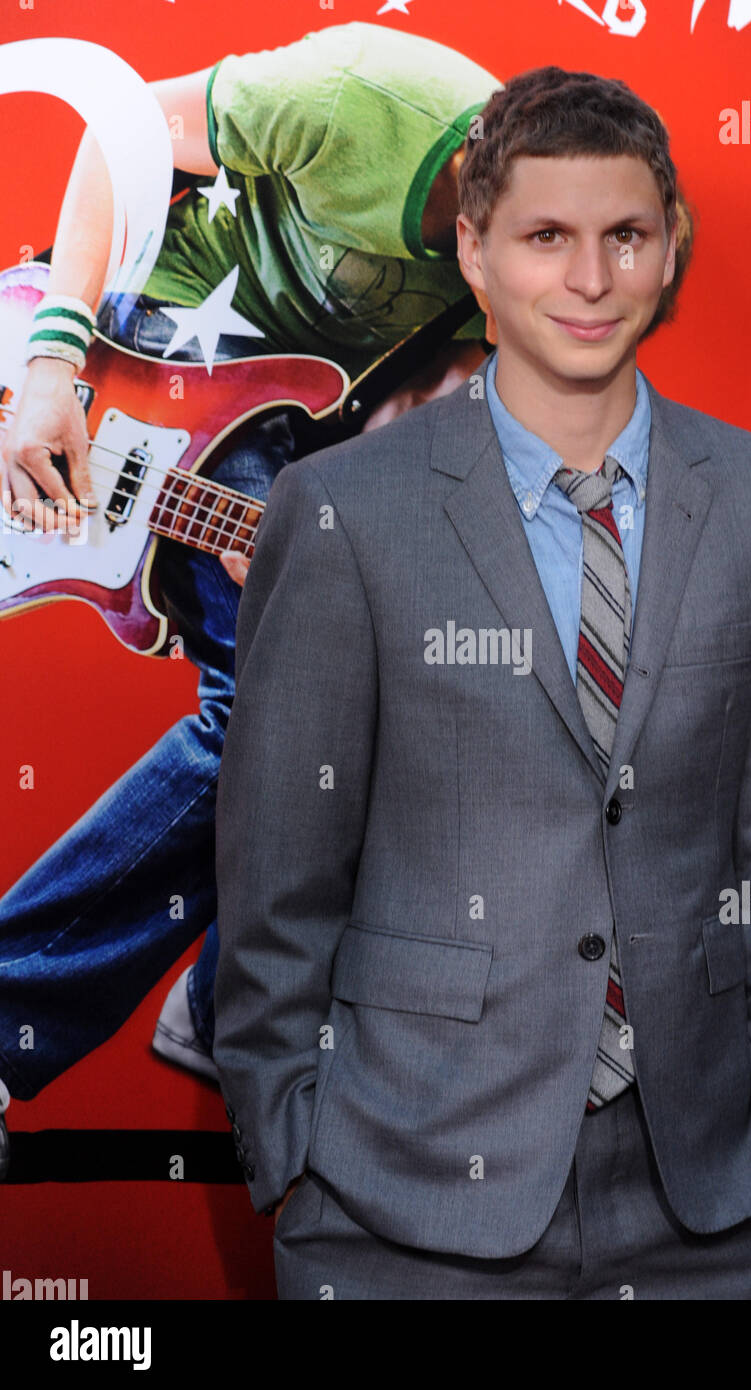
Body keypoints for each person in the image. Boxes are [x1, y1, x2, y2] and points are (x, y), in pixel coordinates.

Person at [213, 64, 751, 1299]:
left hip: (718, 1192)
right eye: (546, 236)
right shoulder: (345, 509)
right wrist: (293, 1140)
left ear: (671, 249)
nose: (591, 278)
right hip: (397, 1191)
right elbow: (278, 862)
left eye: (626, 235)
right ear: (473, 249)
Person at [0, 21, 503, 1178]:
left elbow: (403, 418)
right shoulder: (364, 92)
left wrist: (332, 519)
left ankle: (232, 1008)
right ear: (482, 160)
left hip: (286, 427)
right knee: (282, 707)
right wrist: (48, 365)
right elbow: (119, 139)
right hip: (146, 359)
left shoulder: (540, 290)